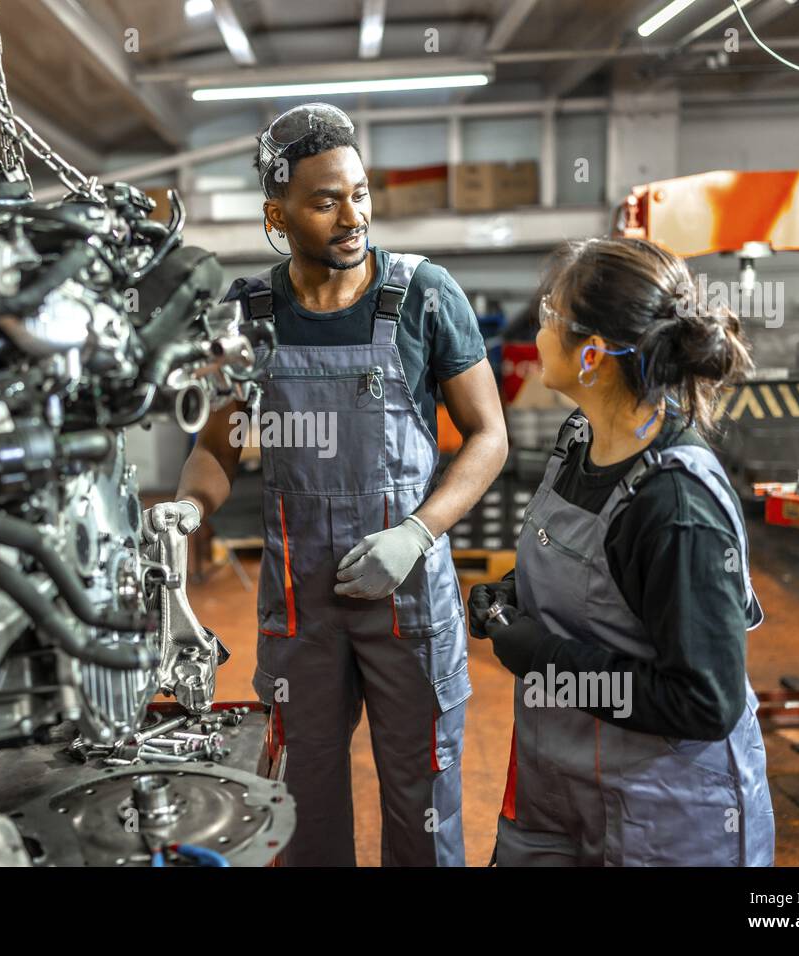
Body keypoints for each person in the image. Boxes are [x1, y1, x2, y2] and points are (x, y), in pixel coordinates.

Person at [145, 103, 507, 866]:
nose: (354, 217)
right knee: (300, 800)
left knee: (424, 800)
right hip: (299, 605)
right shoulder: (248, 316)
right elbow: (218, 447)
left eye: (361, 194)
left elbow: (489, 437)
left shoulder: (425, 298)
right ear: (277, 213)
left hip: (408, 600)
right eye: (326, 200)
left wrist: (419, 532)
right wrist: (187, 507)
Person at [470, 237, 775, 866]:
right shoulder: (580, 438)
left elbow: (704, 702)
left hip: (662, 817)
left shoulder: (674, 508)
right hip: (563, 788)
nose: (538, 333)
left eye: (550, 316)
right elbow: (596, 587)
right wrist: (518, 593)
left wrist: (548, 661)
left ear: (591, 356)